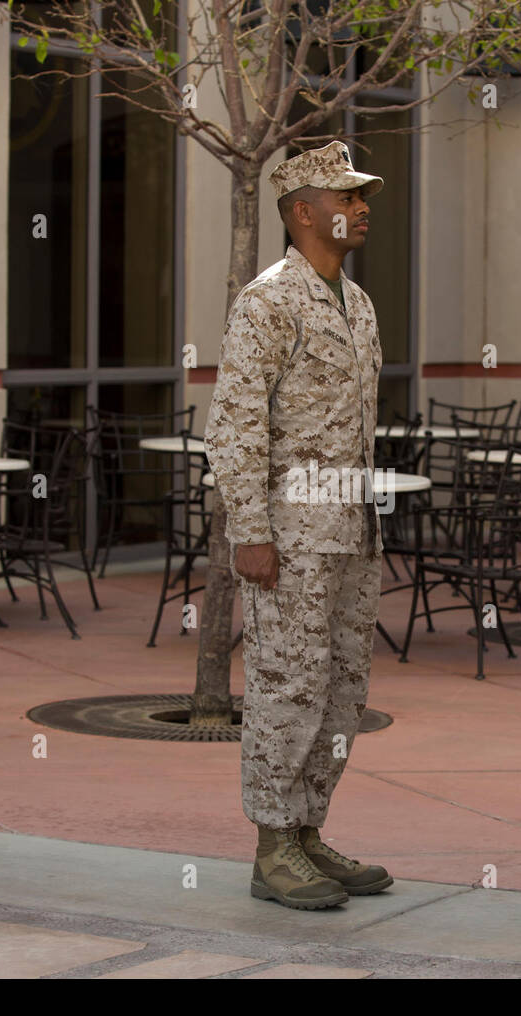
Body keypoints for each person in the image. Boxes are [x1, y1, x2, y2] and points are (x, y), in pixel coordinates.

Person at [205, 141, 394, 910]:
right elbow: (236, 422)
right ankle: (273, 844)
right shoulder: (269, 300)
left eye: (363, 194)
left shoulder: (358, 301)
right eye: (347, 195)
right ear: (302, 211)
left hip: (350, 532)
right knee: (287, 688)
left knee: (343, 691)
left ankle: (310, 830)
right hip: (289, 538)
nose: (363, 206)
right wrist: (249, 530)